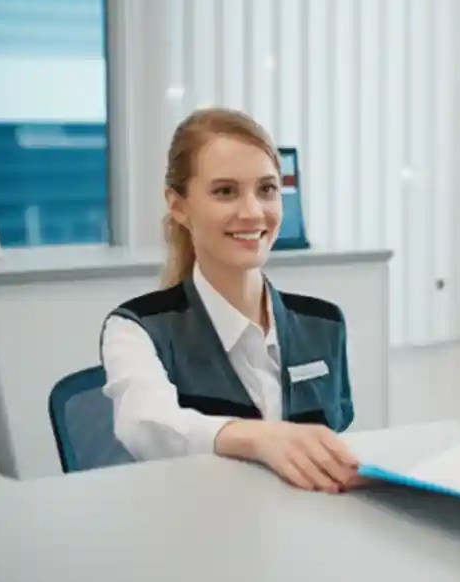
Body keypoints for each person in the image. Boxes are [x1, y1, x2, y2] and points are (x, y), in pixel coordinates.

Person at [101, 107, 361, 493]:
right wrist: (259, 438)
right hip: (199, 533)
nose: (253, 212)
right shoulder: (136, 328)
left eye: (267, 189)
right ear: (178, 205)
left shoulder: (323, 324)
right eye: (225, 191)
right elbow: (145, 423)